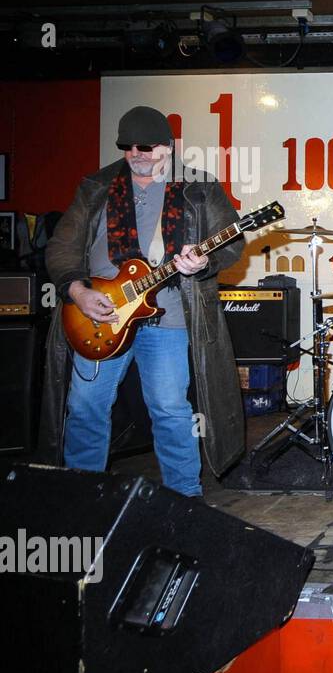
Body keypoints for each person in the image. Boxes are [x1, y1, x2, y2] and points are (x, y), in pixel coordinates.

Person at [39, 105, 246, 497]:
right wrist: (78, 291)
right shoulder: (95, 187)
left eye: (147, 146)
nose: (137, 153)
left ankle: (185, 499)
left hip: (168, 318)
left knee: (170, 410)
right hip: (100, 314)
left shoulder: (199, 187)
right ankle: (82, 498)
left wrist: (205, 261)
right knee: (85, 408)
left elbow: (232, 244)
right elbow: (62, 246)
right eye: (128, 146)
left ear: (168, 146)